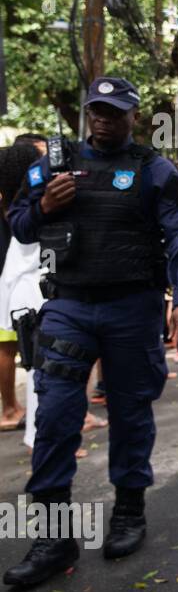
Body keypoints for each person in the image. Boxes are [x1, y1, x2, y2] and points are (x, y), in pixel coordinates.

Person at [2, 76, 178, 587]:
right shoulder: (55, 165)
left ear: (134, 115)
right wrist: (45, 205)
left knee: (131, 413)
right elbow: (19, 225)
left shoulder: (154, 171)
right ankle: (53, 537)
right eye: (97, 110)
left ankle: (129, 512)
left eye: (114, 112)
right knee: (56, 418)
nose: (104, 119)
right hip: (68, 304)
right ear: (87, 113)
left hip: (133, 307)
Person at [0, 143, 44, 432]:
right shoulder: (28, 207)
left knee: (17, 351)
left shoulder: (10, 204)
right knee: (39, 364)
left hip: (12, 286)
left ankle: (13, 410)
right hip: (24, 287)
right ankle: (35, 429)